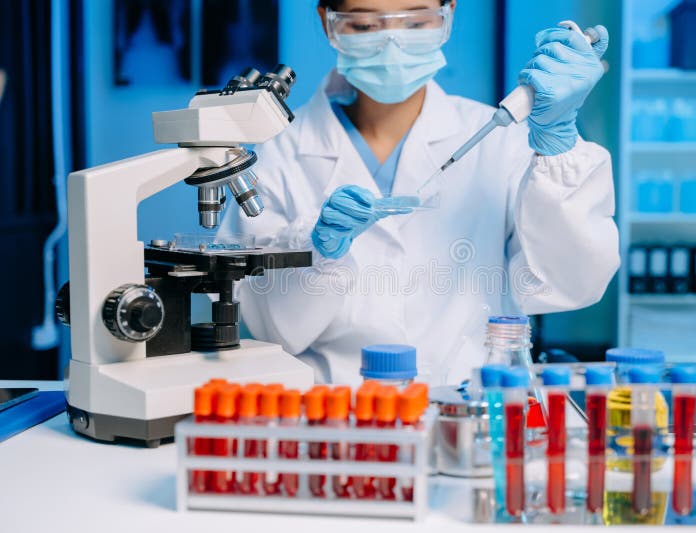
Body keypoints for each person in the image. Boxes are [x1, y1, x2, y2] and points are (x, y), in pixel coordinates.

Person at [218, 0, 619, 385]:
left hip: (468, 402)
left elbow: (569, 284)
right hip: (336, 410)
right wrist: (317, 253)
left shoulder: (501, 142)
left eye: (414, 23)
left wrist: (559, 146)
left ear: (448, 15)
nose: (391, 42)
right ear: (328, 21)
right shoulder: (280, 151)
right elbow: (269, 330)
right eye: (365, 24)